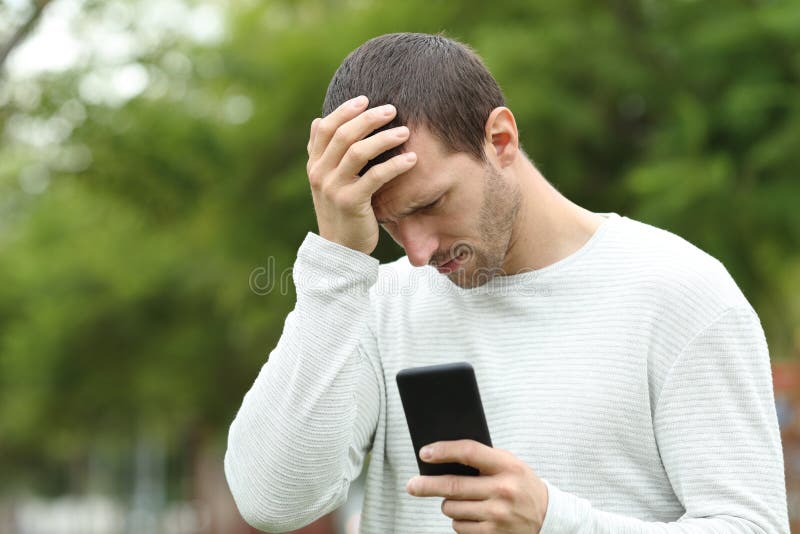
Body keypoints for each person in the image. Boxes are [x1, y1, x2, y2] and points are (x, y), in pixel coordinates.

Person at [224, 32, 790, 533]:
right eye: (389, 224)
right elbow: (272, 501)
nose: (417, 253)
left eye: (431, 203)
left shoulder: (680, 292)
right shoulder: (370, 303)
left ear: (499, 139)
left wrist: (554, 523)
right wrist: (336, 259)